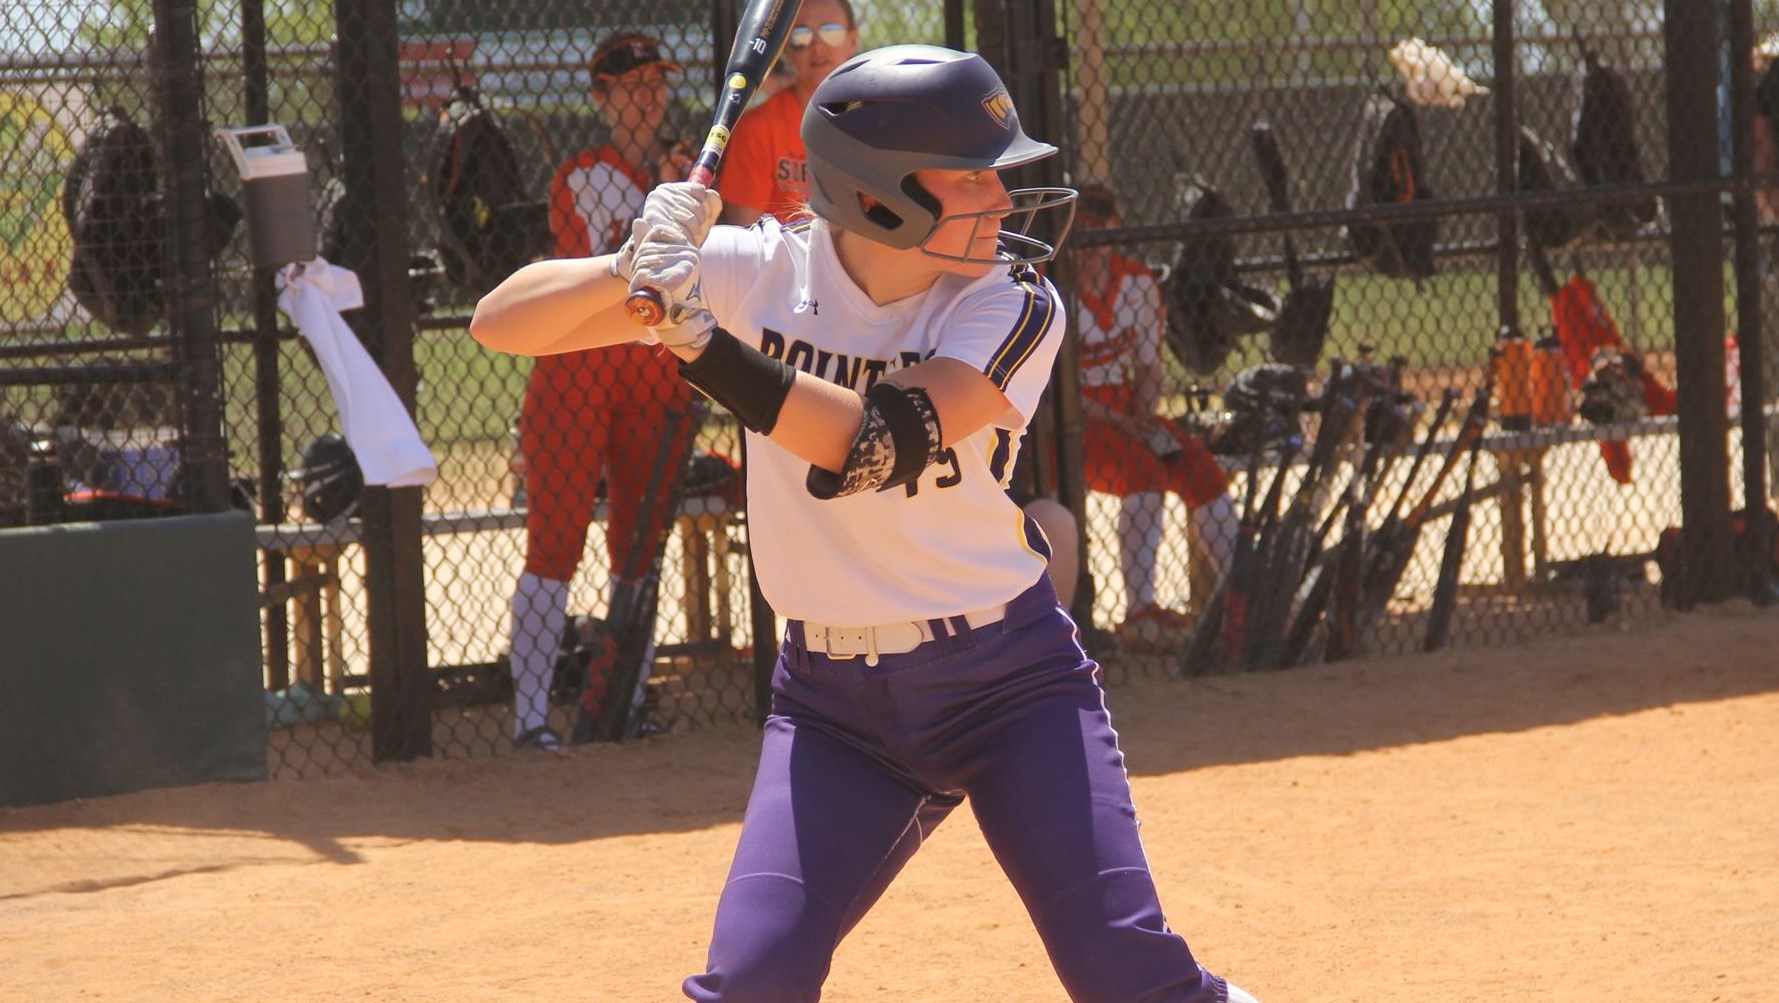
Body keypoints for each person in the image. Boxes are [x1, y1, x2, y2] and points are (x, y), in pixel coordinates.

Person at [471, 44, 1262, 1003]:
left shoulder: (1009, 302)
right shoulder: (760, 269)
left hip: (1007, 686)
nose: (1004, 202)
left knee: (1126, 977)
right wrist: (628, 266)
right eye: (973, 177)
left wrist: (698, 343)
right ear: (883, 195)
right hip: (833, 709)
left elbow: (869, 447)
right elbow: (500, 323)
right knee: (752, 985)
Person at [503, 32, 695, 750]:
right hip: (578, 360)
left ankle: (622, 701)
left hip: (654, 360)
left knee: (640, 544)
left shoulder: (689, 174)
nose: (648, 94)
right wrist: (668, 193)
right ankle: (529, 719)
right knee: (554, 540)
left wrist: (685, 187)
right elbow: (603, 265)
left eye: (656, 81)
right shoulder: (580, 172)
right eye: (630, 83)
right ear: (602, 97)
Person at [1065, 183, 1239, 647]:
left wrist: (1143, 415)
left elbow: (1148, 366)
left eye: (1096, 228)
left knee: (1199, 468)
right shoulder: (1049, 285)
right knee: (1144, 473)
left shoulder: (1138, 283)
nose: (1089, 241)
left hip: (1125, 409)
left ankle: (1243, 599)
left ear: (1114, 229)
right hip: (1070, 422)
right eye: (1079, 229)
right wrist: (1124, 424)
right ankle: (1140, 612)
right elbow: (1054, 390)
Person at [715, 0, 860, 226]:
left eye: (831, 31)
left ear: (852, 40)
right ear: (784, 49)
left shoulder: (874, 120)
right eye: (800, 36)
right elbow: (744, 233)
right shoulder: (759, 128)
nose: (818, 46)